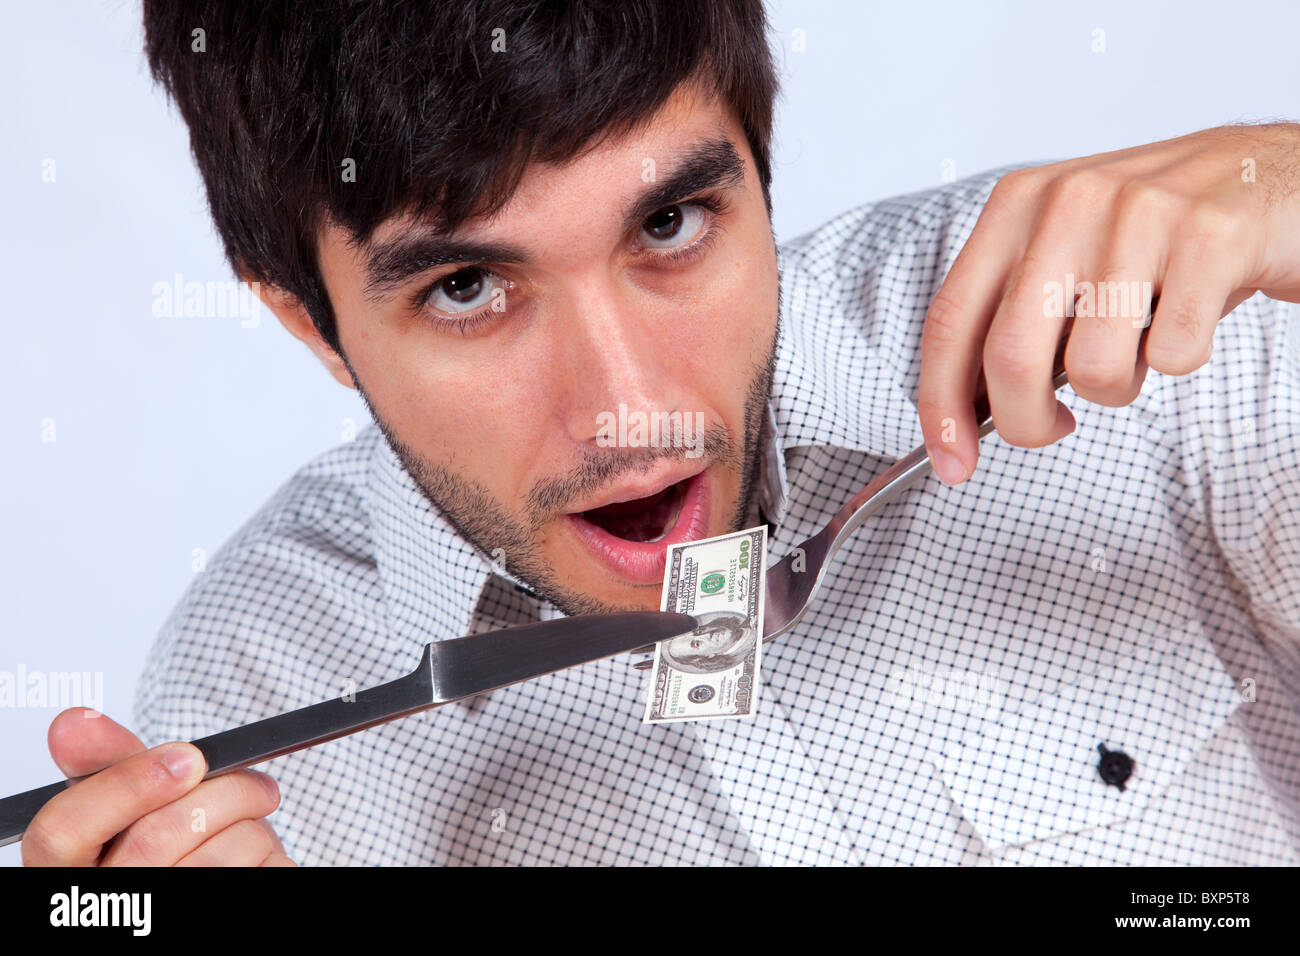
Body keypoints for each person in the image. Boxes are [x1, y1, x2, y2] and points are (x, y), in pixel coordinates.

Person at [21, 0, 1300, 865]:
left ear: (757, 163)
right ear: (311, 324)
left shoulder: (1147, 330)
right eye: (467, 288)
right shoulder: (254, 699)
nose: (631, 406)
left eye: (673, 223)